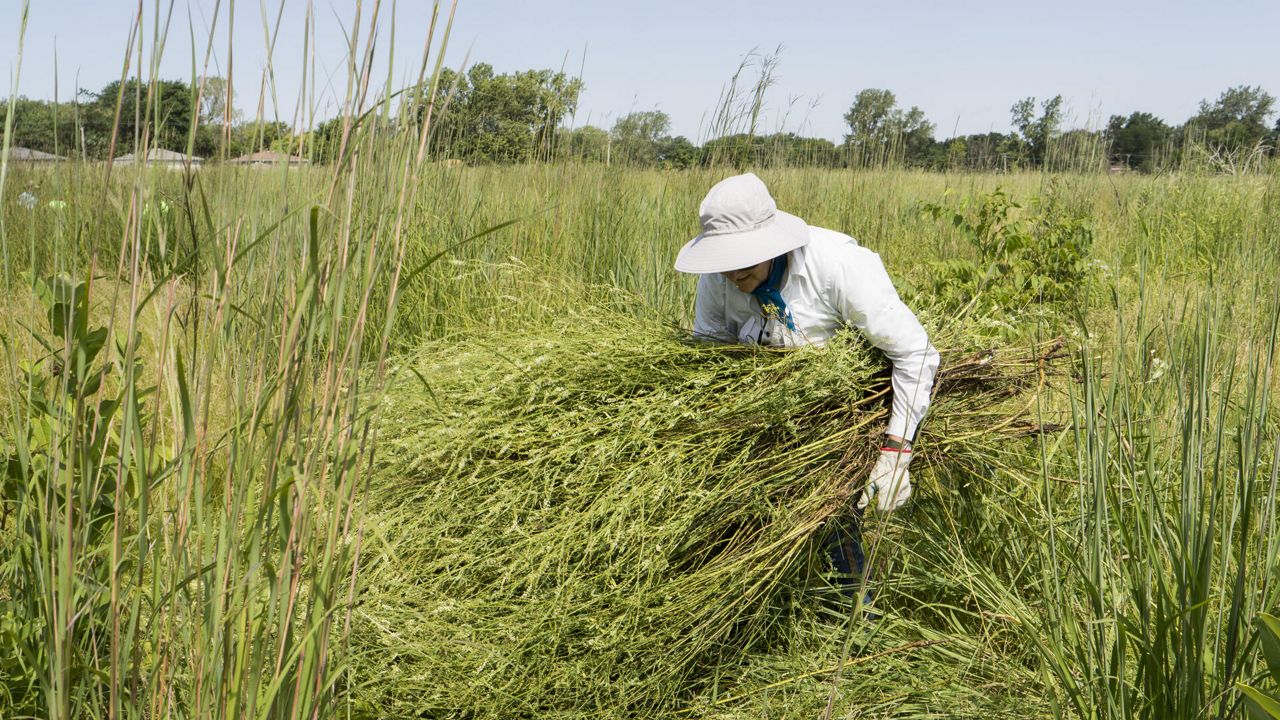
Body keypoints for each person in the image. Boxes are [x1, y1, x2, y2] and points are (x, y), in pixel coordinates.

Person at [674, 173, 940, 592]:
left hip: (839, 420)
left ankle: (854, 625)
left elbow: (915, 353)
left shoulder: (837, 266)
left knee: (835, 525)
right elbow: (712, 355)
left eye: (739, 265)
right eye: (722, 264)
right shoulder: (719, 277)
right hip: (762, 419)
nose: (728, 276)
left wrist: (895, 452)